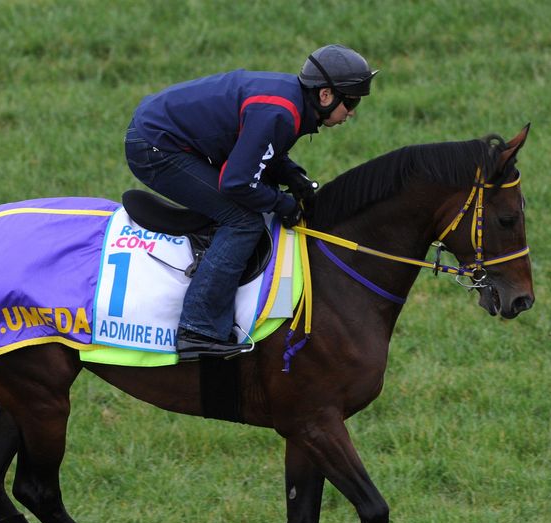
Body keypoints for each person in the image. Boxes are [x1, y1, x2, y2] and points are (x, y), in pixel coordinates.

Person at [125, 44, 378, 361]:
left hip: (167, 134)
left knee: (252, 205)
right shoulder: (280, 113)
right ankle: (198, 329)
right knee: (242, 220)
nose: (352, 111)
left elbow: (263, 150)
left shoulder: (290, 102)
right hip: (154, 145)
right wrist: (282, 204)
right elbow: (238, 183)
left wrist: (294, 177)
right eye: (351, 101)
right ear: (325, 95)